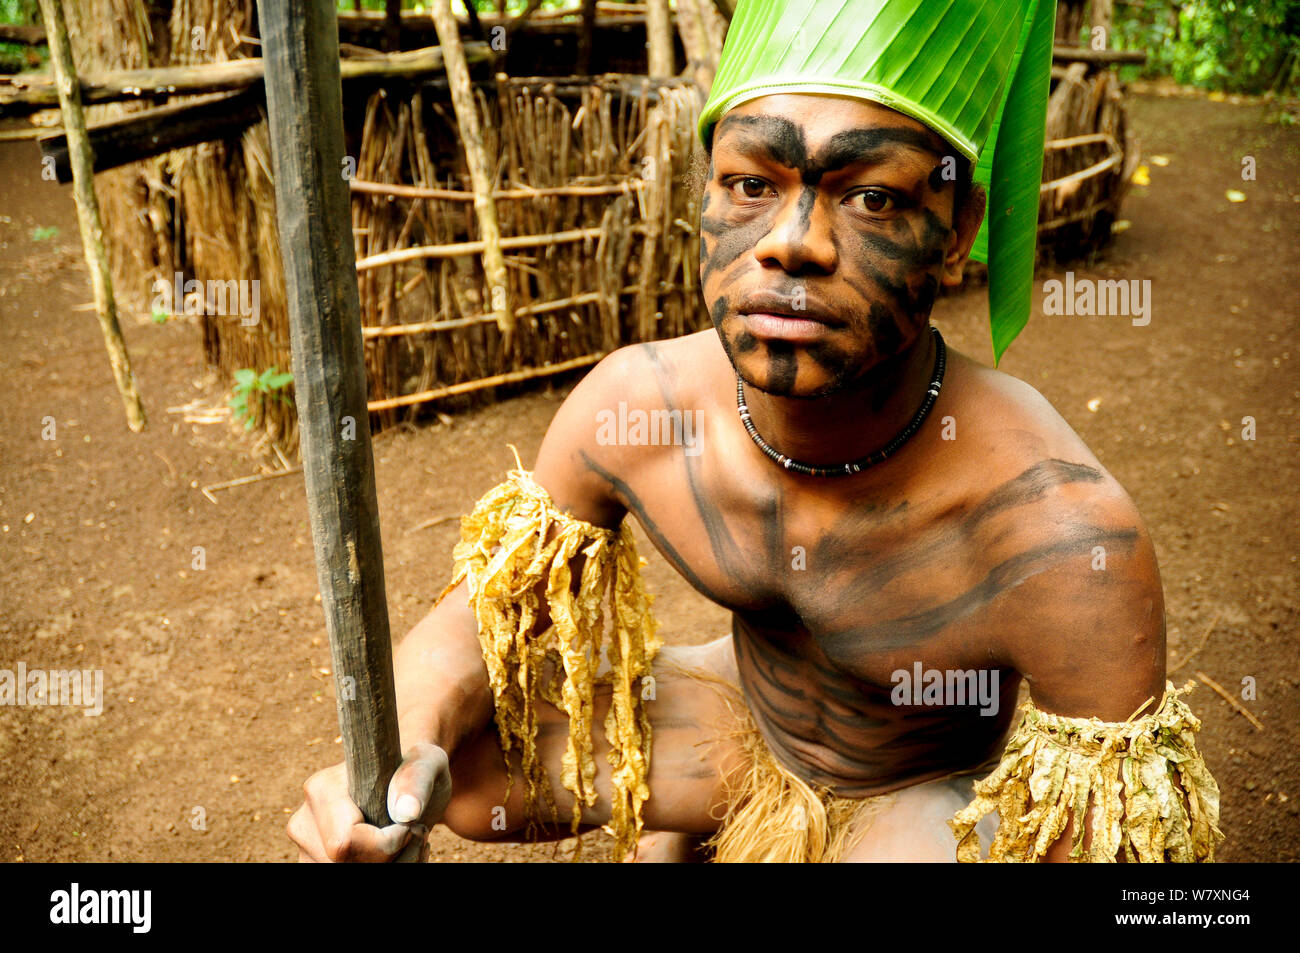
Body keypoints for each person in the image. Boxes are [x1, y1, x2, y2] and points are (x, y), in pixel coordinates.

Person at [288, 0, 1221, 863]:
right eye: (750, 183)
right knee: (474, 759)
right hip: (737, 733)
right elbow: (479, 621)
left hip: (913, 792)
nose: (792, 242)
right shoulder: (639, 403)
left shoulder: (1060, 532)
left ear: (956, 227)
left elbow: (1128, 854)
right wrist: (402, 752)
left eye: (874, 198)